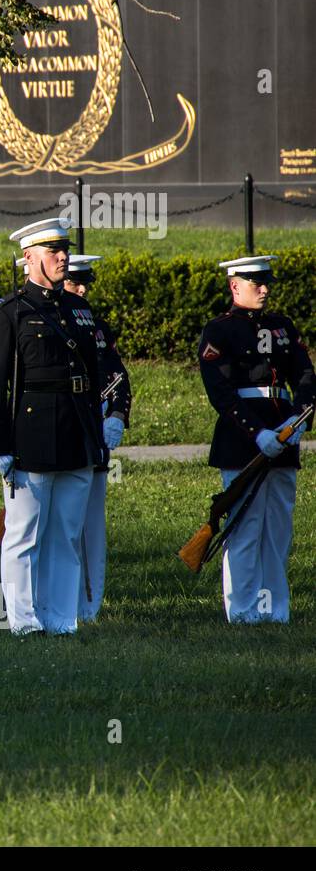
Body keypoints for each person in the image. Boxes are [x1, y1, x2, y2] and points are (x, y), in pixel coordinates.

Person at [0, 218, 104, 636]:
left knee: (66, 535)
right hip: (31, 435)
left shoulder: (78, 309)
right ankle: (24, 621)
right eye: (53, 251)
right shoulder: (7, 312)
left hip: (76, 429)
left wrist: (97, 435)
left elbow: (96, 375)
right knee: (24, 535)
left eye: (64, 248)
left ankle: (61, 618)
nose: (63, 256)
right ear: (29, 258)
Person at [198, 255, 314, 624]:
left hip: (285, 430)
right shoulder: (220, 330)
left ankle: (274, 611)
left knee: (278, 531)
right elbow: (221, 391)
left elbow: (305, 372)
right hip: (243, 438)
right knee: (246, 529)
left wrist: (302, 414)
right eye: (255, 282)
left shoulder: (282, 326)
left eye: (266, 282)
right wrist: (257, 432)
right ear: (235, 285)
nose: (264, 288)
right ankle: (244, 611)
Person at [62, 254, 133, 622]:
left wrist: (118, 416)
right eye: (76, 281)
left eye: (84, 281)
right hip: (65, 434)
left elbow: (117, 376)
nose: (82, 288)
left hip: (95, 434)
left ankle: (88, 604)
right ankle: (63, 600)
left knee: (92, 526)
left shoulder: (97, 327)